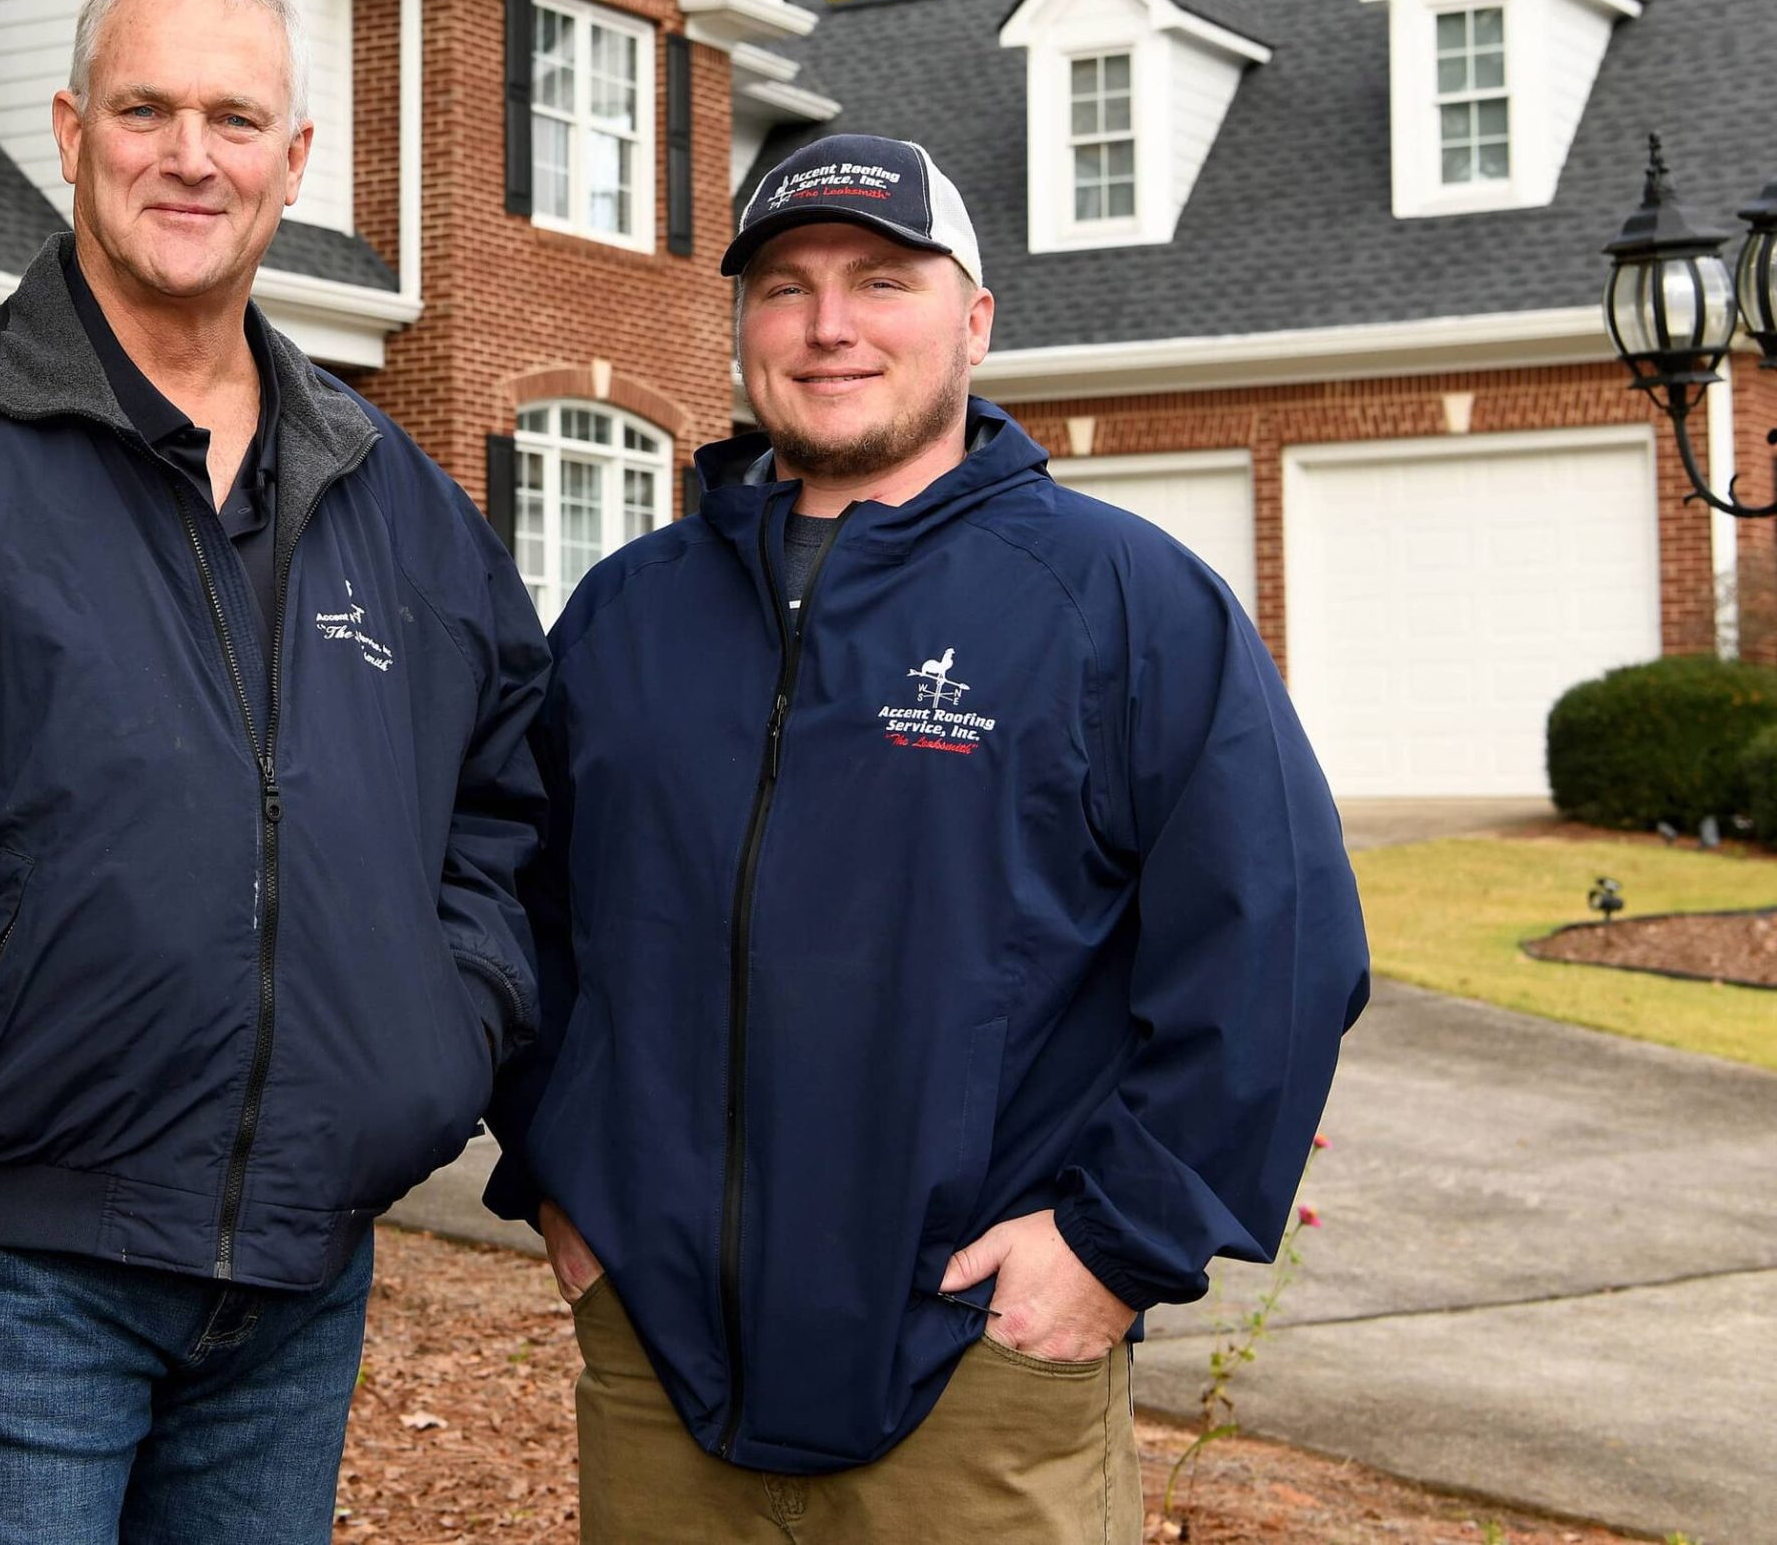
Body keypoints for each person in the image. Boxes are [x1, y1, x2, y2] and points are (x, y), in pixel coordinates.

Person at [0, 0, 548, 1544]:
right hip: (13, 1277)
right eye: (145, 108)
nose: (189, 155)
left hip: (298, 1280)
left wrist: (446, 1025)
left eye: (235, 119)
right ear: (74, 133)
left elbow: (505, 804)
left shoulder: (393, 498)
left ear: (292, 163)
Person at [487, 133, 1369, 1542]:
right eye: (785, 286)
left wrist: (1109, 1248)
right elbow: (516, 915)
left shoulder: (1120, 602)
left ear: (973, 319)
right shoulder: (627, 616)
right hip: (658, 1363)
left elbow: (1277, 947)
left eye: (881, 280)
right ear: (741, 329)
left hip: (977, 1372)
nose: (829, 324)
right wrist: (562, 1175)